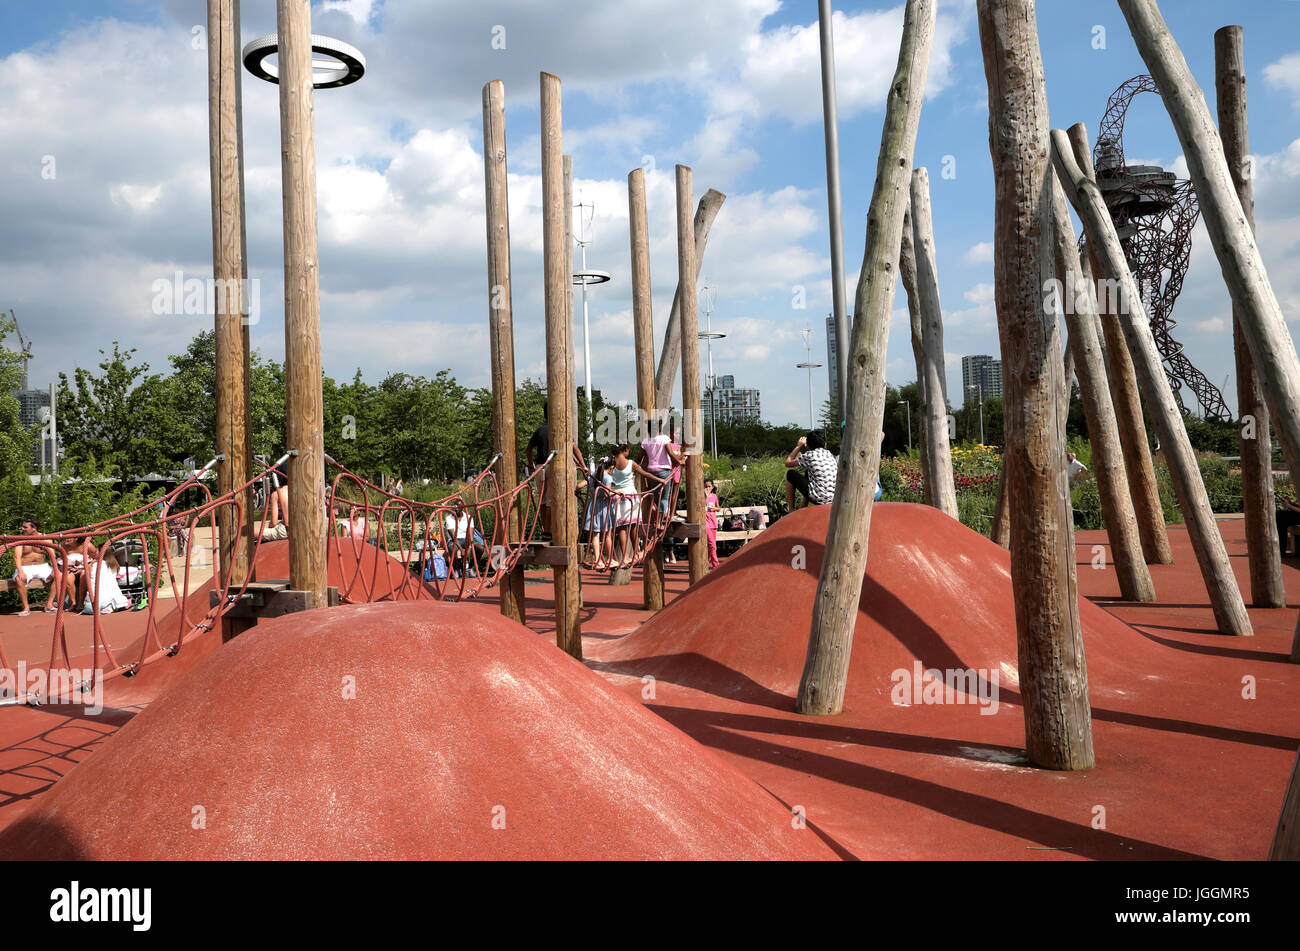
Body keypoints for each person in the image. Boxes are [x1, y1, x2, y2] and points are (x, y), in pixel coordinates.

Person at [607, 443, 666, 568]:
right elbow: (644, 473)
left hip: (617, 496)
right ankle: (636, 552)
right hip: (629, 495)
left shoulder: (612, 464)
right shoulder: (630, 463)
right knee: (633, 525)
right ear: (625, 450)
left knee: (622, 527)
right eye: (628, 450)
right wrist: (660, 480)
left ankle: (624, 556)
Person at [9, 518, 59, 616]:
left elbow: (52, 555)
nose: (22, 529)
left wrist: (55, 569)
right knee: (19, 579)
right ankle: (26, 607)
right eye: (22, 527)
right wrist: (20, 571)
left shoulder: (46, 538)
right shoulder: (20, 539)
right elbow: (17, 557)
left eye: (25, 527)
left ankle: (49, 604)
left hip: (42, 566)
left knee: (59, 575)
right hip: (25, 567)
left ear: (34, 528)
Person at [785, 430, 838, 510]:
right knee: (807, 472)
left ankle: (791, 510)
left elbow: (788, 463)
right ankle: (803, 506)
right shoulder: (830, 454)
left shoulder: (810, 455)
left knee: (790, 474)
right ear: (825, 444)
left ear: (808, 445)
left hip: (818, 498)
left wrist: (798, 446)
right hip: (833, 498)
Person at [443, 497, 487, 577]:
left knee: (480, 548)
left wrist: (469, 548)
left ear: (463, 507)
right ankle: (456, 568)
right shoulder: (449, 518)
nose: (455, 508)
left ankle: (472, 567)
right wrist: (461, 549)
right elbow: (453, 537)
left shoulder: (469, 517)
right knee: (452, 549)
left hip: (466, 539)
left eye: (458, 506)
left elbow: (470, 534)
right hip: (454, 540)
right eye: (454, 506)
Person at [80, 547, 130, 615]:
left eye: (96, 552)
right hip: (113, 598)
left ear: (101, 553)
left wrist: (91, 563)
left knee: (84, 579)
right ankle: (110, 606)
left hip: (94, 602)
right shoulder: (115, 565)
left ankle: (80, 604)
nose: (95, 554)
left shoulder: (92, 566)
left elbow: (87, 580)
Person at [704, 478, 721, 570]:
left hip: (713, 522)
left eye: (709, 486)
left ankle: (705, 562)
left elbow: (718, 508)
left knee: (712, 544)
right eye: (705, 486)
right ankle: (716, 564)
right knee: (712, 544)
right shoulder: (701, 496)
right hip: (705, 522)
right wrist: (705, 496)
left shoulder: (714, 496)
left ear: (712, 487)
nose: (707, 488)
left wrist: (714, 508)